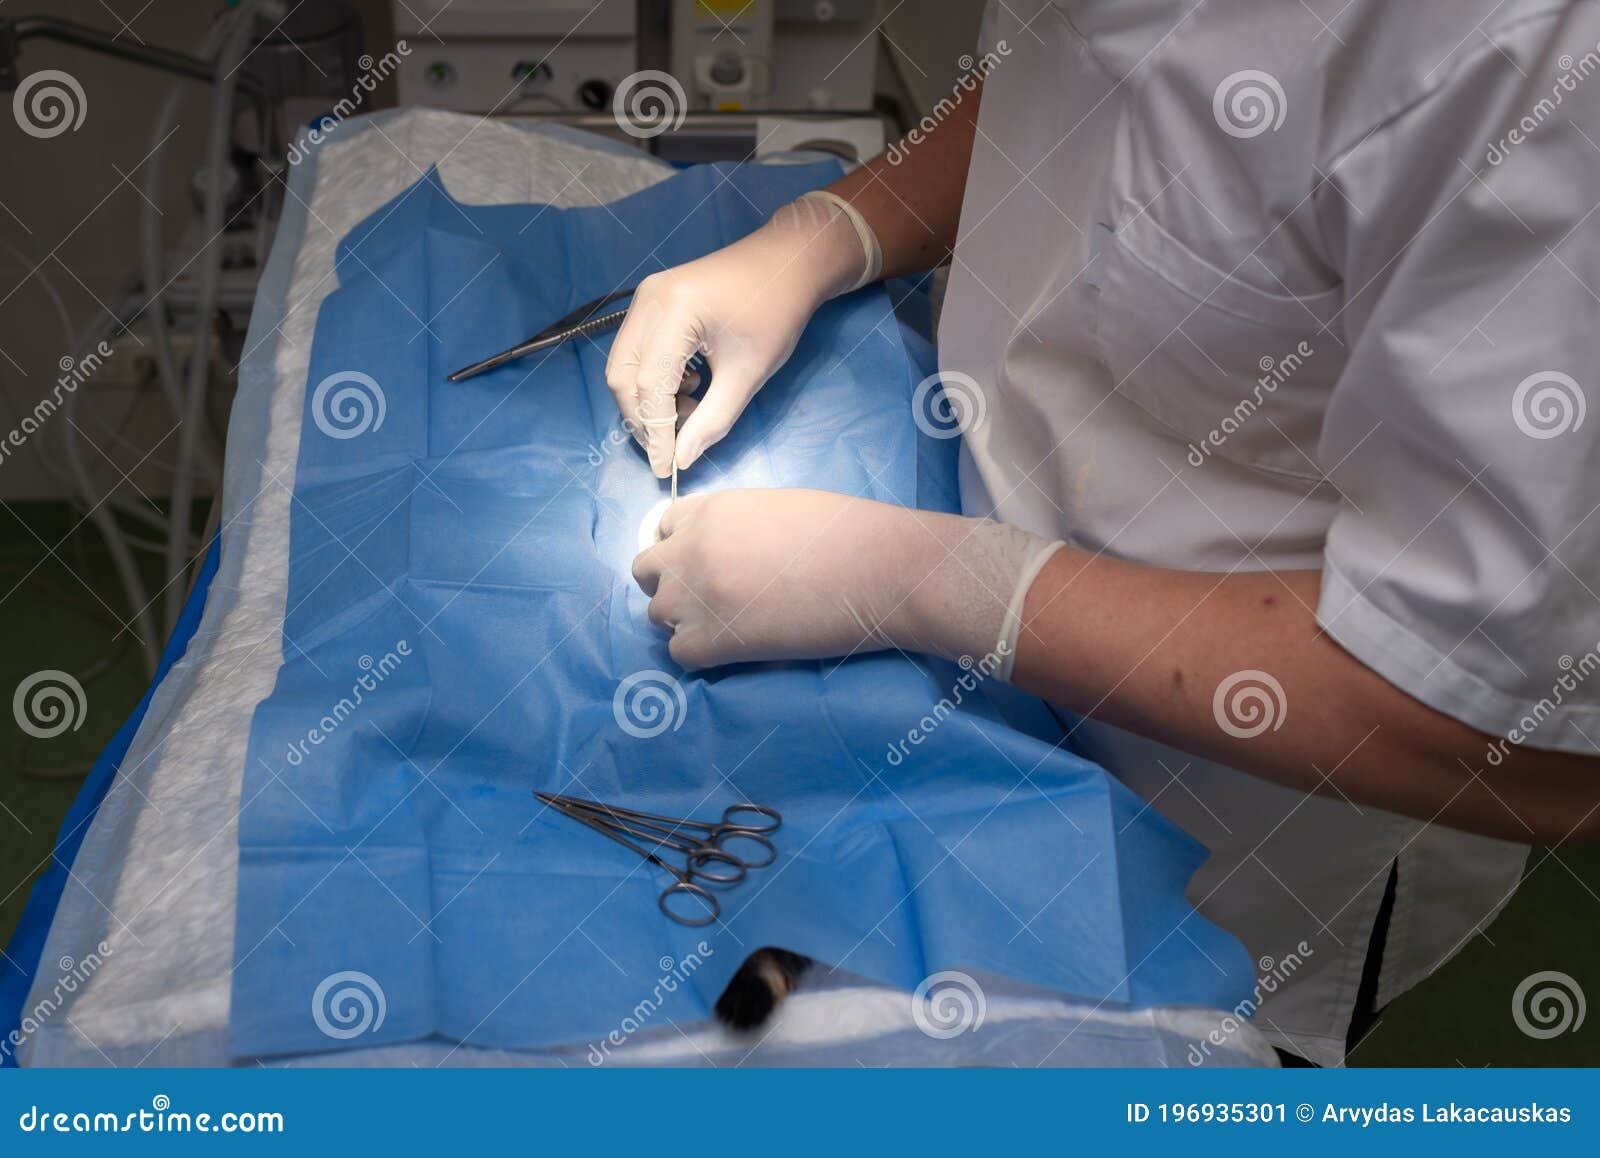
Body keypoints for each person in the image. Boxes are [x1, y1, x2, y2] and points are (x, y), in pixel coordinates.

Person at [613, 0, 1600, 1065]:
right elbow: (1092, 100)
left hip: (1234, 837)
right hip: (988, 686)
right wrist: (830, 232)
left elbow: (1530, 741)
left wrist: (928, 582)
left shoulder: (1527, 63)